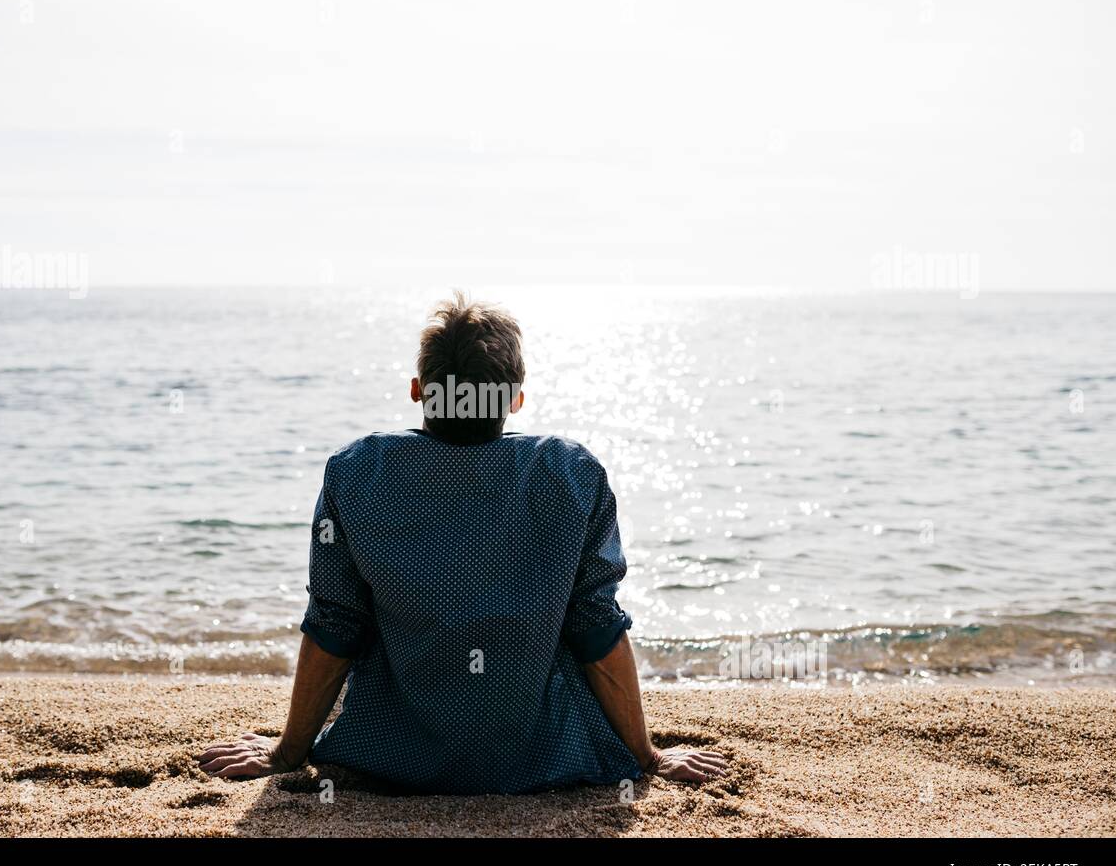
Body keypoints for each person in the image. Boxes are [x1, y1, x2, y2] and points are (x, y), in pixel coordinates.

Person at [198, 293, 727, 793]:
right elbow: (596, 627)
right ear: (515, 398)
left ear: (418, 390)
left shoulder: (356, 472)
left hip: (393, 754)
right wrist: (648, 757)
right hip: (544, 754)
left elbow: (334, 627)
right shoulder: (572, 473)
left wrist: (288, 753)